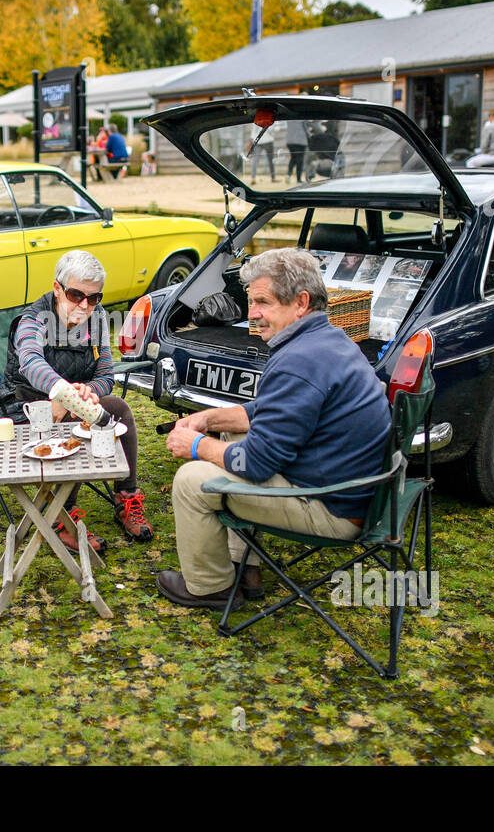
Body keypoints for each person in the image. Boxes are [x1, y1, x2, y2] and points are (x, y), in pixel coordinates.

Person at [157, 248, 391, 609]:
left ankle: (210, 587)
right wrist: (208, 419)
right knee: (232, 435)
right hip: (352, 489)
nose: (252, 315)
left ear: (300, 302)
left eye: (262, 302)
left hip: (332, 508)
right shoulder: (329, 339)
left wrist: (195, 445)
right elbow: (270, 412)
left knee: (191, 480)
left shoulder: (299, 360)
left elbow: (257, 465)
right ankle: (244, 567)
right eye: (252, 302)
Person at [0, 250, 154, 551]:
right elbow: (30, 361)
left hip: (73, 404)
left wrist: (91, 390)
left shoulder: (99, 318)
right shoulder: (32, 320)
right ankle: (62, 516)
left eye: (93, 298)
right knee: (74, 420)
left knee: (118, 409)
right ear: (57, 288)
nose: (84, 305)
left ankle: (126, 497)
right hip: (27, 407)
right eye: (76, 295)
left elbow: (107, 373)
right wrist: (65, 394)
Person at [285, 118, 310, 183]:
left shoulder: (288, 118)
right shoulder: (302, 117)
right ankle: (298, 179)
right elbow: (306, 128)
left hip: (290, 140)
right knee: (300, 160)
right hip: (300, 140)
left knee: (293, 158)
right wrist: (309, 135)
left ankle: (288, 174)